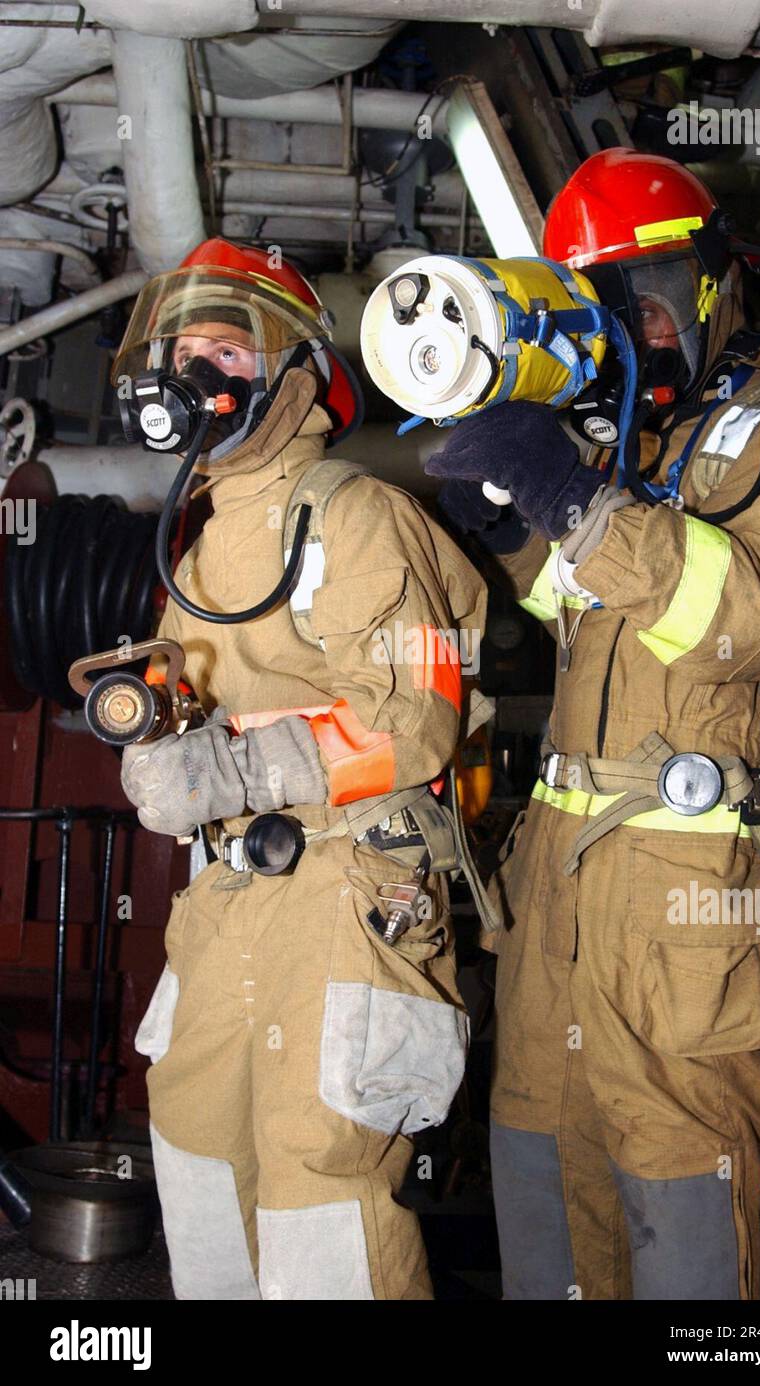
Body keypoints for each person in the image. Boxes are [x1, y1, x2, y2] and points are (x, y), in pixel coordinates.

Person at [428, 149, 760, 1300]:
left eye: (652, 286)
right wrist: (512, 530)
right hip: (560, 896)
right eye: (608, 297)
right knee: (537, 1159)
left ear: (715, 282)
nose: (635, 321)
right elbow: (594, 608)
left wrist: (576, 501)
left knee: (680, 1189)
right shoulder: (640, 449)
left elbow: (756, 613)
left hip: (683, 900)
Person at [115, 237, 487, 1300]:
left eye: (223, 354)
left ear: (291, 371)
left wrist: (233, 773)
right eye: (180, 354)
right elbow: (193, 698)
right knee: (196, 1145)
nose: (191, 380)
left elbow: (415, 722)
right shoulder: (200, 549)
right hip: (232, 892)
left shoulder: (357, 517)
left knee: (319, 1183)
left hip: (343, 892)